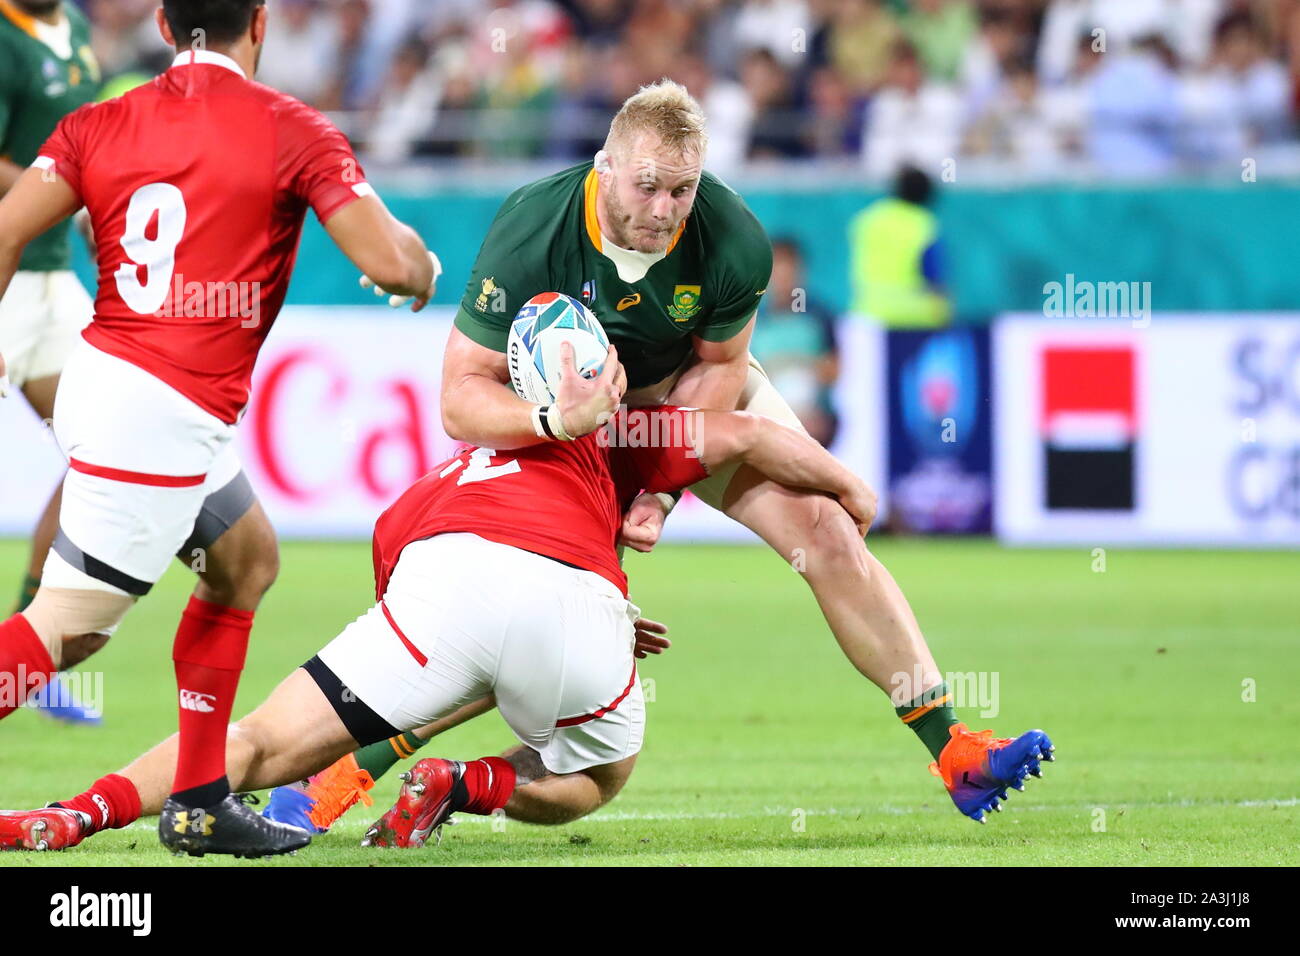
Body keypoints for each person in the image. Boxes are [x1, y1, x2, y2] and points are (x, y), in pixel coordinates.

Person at [421, 79, 1043, 824]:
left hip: (684, 391)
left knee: (827, 533)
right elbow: (461, 397)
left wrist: (657, 492)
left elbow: (719, 370)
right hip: (567, 427)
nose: (664, 209)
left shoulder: (733, 237)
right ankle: (340, 776)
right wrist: (560, 421)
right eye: (648, 186)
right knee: (513, 613)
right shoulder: (534, 225)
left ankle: (955, 750)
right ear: (604, 168)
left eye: (681, 190)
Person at [0, 375, 892, 852]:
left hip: (439, 586)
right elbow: (749, 435)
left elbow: (411, 598)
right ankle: (466, 786)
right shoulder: (619, 432)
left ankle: (80, 811)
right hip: (578, 604)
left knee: (256, 741)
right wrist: (850, 484)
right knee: (597, 776)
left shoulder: (439, 479)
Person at [0, 0, 439, 858]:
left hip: (117, 379)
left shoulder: (98, 123)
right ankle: (197, 799)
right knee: (67, 630)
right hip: (159, 412)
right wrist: (420, 261)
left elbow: (9, 226)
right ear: (262, 24)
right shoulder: (291, 128)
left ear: (165, 25)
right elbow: (389, 264)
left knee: (244, 561)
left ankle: (198, 801)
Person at [0, 0, 101, 723]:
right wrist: (71, 192)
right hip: (4, 269)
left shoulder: (75, 26)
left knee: (101, 447)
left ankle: (25, 648)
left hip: (53, 278)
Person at [849, 164, 949, 328]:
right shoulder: (923, 223)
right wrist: (943, 313)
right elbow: (933, 274)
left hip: (868, 314)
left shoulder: (867, 219)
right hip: (914, 319)